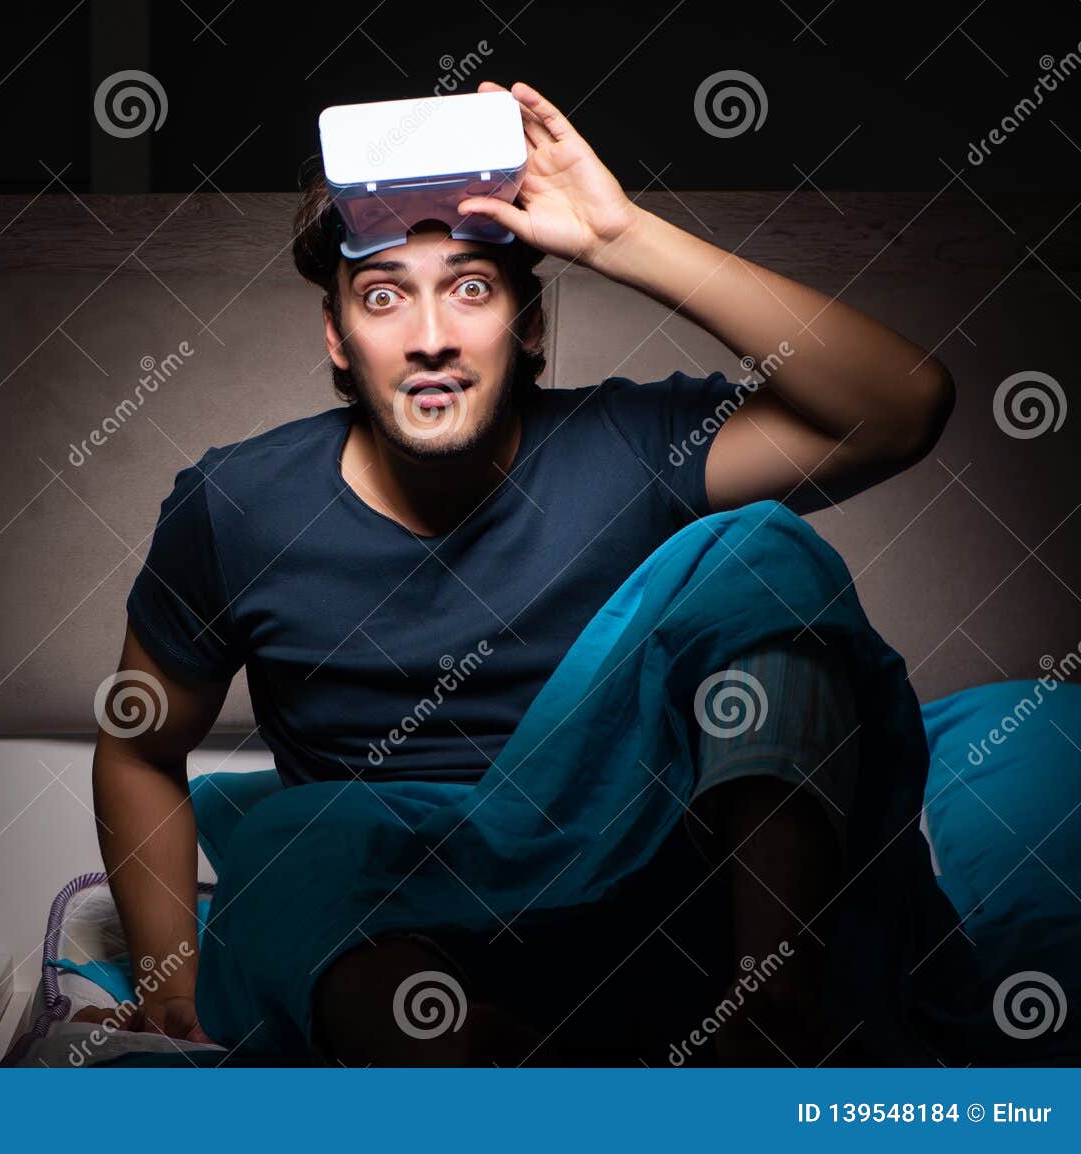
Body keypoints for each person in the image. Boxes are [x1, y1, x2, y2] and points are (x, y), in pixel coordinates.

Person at [75, 79, 955, 1064]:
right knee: (291, 844)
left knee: (762, 549)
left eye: (470, 288)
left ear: (528, 325)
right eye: (381, 296)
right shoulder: (237, 505)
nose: (430, 336)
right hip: (382, 910)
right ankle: (481, 1076)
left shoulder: (640, 445)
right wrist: (173, 978)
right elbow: (139, 747)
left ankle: (777, 1014)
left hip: (643, 891)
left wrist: (623, 241)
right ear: (336, 337)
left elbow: (898, 409)